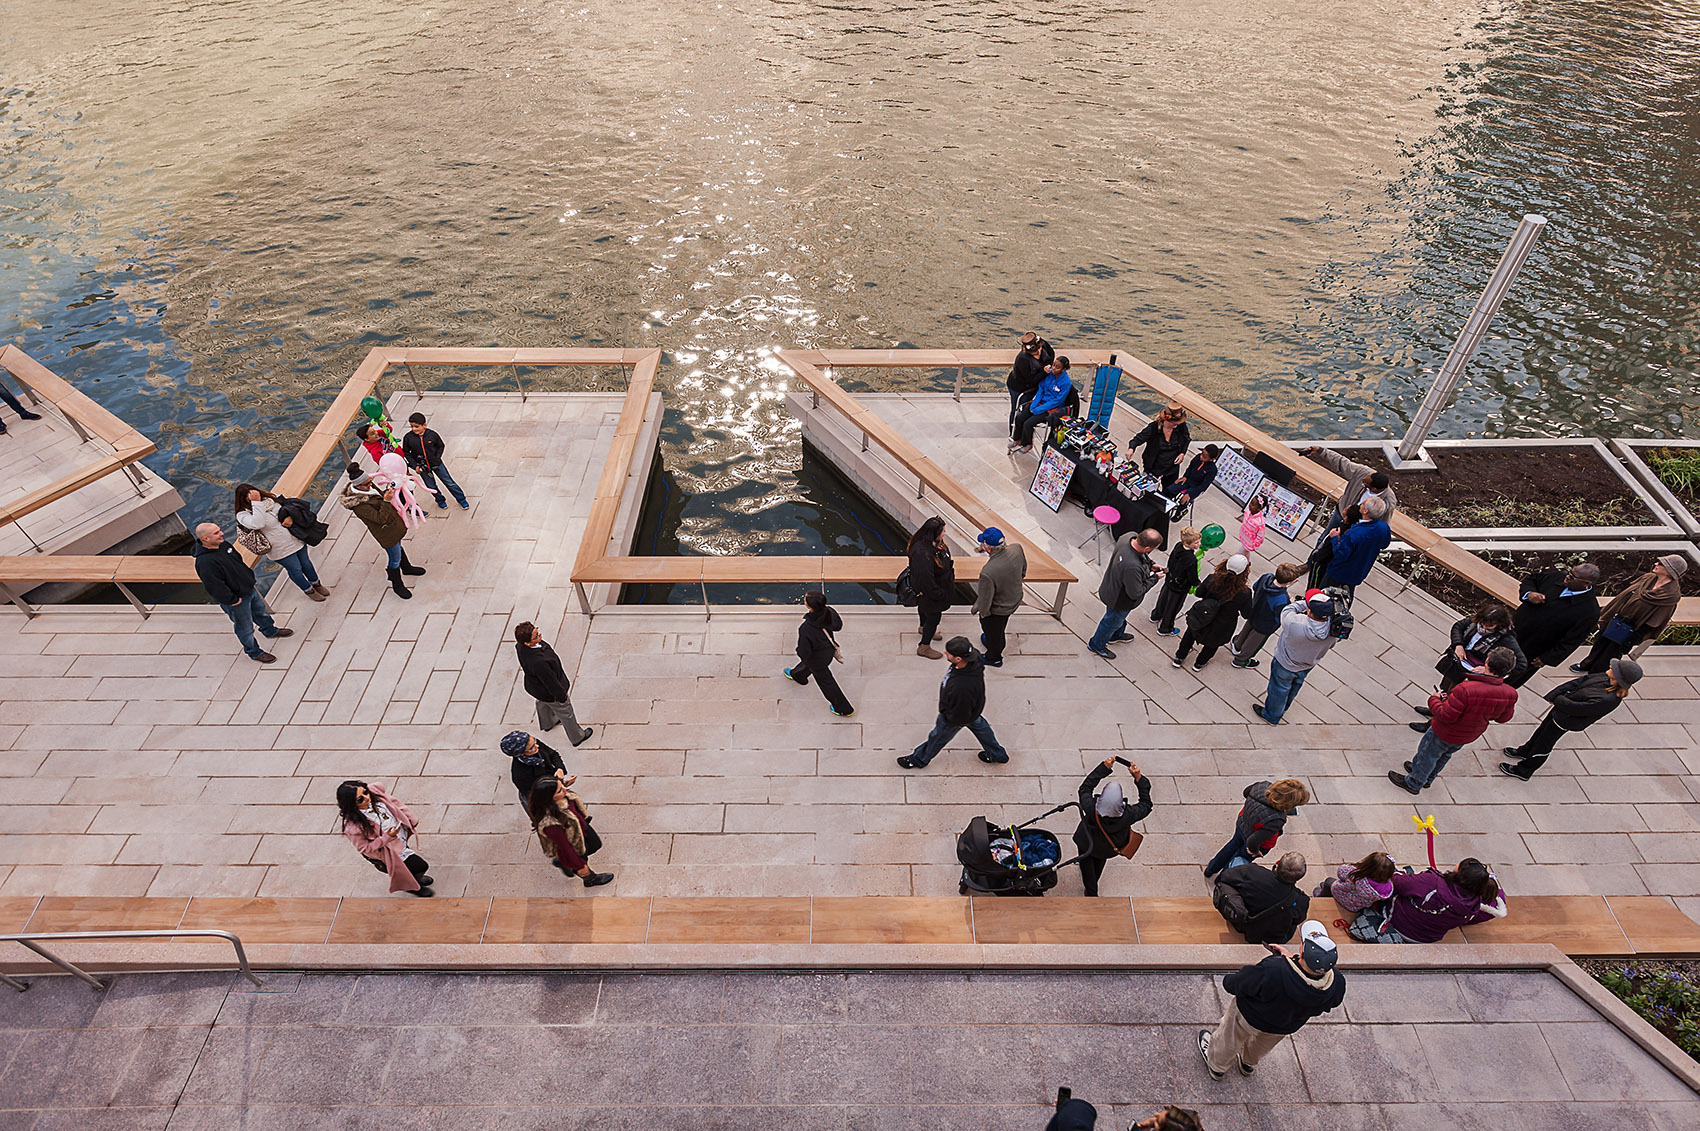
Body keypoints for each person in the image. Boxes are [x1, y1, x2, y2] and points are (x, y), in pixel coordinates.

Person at [1198, 920, 1345, 1081]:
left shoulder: (1273, 969)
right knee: (1261, 1046)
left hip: (1249, 1016)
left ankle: (1217, 1066)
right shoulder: (1337, 983)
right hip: (1283, 1026)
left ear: (1302, 952)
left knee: (1229, 1039)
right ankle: (1247, 1063)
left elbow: (1238, 984)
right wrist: (1290, 959)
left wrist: (1229, 980)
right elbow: (1328, 1000)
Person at [1389, 646, 1517, 795]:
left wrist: (1434, 699)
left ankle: (1414, 782)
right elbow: (1503, 718)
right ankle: (1427, 777)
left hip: (1446, 731)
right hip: (1469, 734)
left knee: (1427, 754)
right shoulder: (1510, 693)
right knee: (1444, 755)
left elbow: (1445, 714)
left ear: (1487, 661)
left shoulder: (1466, 689)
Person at [1501, 657, 1641, 780]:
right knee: (1540, 732)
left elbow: (1578, 708)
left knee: (1544, 744)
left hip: (1565, 720)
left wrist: (1558, 699)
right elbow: (1579, 681)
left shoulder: (1608, 699)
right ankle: (1525, 751)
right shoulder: (1604, 677)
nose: (1610, 666)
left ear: (1619, 677)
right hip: (1560, 711)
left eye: (1615, 668)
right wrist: (1555, 694)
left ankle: (1524, 770)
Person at [896, 636, 1007, 769]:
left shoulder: (961, 687)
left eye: (949, 653)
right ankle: (997, 754)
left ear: (958, 659)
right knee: (982, 729)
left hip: (956, 717)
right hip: (973, 711)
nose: (945, 653)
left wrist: (948, 718)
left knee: (937, 737)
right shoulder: (974, 658)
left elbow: (960, 712)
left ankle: (918, 759)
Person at [192, 522, 293, 664]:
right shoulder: (205, 562)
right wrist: (232, 600)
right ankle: (254, 652)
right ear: (205, 539)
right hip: (236, 600)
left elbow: (238, 561)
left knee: (260, 612)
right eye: (216, 533)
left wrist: (249, 579)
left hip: (249, 589)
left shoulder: (224, 545)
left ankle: (270, 630)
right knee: (245, 628)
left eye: (219, 530)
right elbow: (214, 586)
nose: (221, 534)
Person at [1350, 858, 1506, 943]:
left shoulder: (1431, 882)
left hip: (1396, 920)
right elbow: (1498, 902)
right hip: (1425, 939)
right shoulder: (1474, 905)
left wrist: (1400, 874)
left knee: (1389, 869)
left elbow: (1397, 884)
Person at [1574, 555, 1686, 673]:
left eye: (1661, 564)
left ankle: (1596, 674)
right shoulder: (1648, 578)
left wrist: (1632, 639)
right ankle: (1587, 664)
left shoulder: (1670, 596)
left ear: (1669, 570)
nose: (1656, 564)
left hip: (1631, 629)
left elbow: (1656, 621)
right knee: (1600, 643)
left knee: (1611, 652)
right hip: (1617, 618)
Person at [341, 463, 426, 599]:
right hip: (385, 532)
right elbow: (380, 519)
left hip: (392, 526)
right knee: (394, 558)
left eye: (370, 481)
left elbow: (379, 498)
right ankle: (397, 585)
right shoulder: (359, 505)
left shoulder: (368, 487)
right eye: (366, 484)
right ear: (358, 486)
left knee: (398, 547)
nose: (370, 484)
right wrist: (386, 501)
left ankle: (406, 567)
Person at [1071, 757, 1153, 897]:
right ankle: (1092, 886)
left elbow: (1085, 788)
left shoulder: (1091, 808)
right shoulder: (1129, 815)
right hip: (1108, 848)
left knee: (1086, 866)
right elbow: (1146, 804)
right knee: (1099, 862)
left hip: (1087, 843)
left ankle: (1091, 892)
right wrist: (1138, 777)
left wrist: (1103, 768)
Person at [1508, 563, 1600, 687]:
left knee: (1509, 681)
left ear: (1586, 584)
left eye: (1573, 577)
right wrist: (1529, 593)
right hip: (1510, 632)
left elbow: (1572, 641)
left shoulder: (1589, 611)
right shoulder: (1556, 577)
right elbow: (1531, 579)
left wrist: (1546, 659)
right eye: (1569, 572)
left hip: (1530, 650)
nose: (1567, 577)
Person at [233, 483, 328, 602]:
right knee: (295, 569)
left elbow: (290, 505)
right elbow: (258, 523)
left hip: (295, 538)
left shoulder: (271, 499)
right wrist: (256, 503)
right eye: (248, 496)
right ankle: (309, 590)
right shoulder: (242, 515)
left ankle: (316, 584)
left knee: (306, 563)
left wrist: (290, 517)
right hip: (279, 548)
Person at [1253, 590, 1337, 725]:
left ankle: (1272, 715)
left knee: (1278, 690)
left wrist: (1304, 602)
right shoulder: (1334, 629)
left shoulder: (1295, 622)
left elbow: (1288, 609)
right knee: (1296, 685)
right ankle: (1284, 706)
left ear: (1309, 611)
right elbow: (1333, 644)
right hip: (1307, 664)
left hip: (1285, 663)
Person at [338, 779, 432, 896]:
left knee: (412, 867)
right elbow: (364, 848)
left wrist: (410, 818)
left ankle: (415, 879)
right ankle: (411, 886)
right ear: (351, 804)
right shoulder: (353, 826)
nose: (366, 798)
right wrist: (387, 838)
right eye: (360, 799)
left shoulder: (375, 793)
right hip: (387, 852)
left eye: (365, 792)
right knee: (420, 866)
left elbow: (395, 803)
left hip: (398, 840)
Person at [1203, 778, 1310, 878]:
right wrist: (1255, 851)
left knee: (1231, 846)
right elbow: (1254, 840)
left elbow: (1246, 792)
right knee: (1238, 860)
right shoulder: (1276, 819)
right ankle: (1223, 879)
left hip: (1243, 824)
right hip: (1253, 840)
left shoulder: (1262, 786)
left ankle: (1211, 869)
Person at [1299, 445, 1397, 554]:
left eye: (1365, 482)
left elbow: (1384, 522)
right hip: (1341, 514)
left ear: (1374, 489)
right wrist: (1320, 450)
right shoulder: (1362, 472)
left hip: (1356, 526)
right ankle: (1311, 560)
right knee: (1324, 539)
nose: (1362, 480)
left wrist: (1378, 540)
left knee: (1343, 549)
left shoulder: (1388, 501)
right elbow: (1341, 461)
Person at [1421, 603, 1526, 703]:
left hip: (1471, 672)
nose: (1484, 627)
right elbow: (1458, 627)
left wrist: (1488, 669)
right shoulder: (1476, 621)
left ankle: (1439, 713)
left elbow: (1522, 664)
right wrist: (1458, 645)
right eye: (1483, 623)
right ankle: (1435, 708)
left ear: (1500, 624)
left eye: (1490, 626)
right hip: (1457, 663)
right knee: (1444, 688)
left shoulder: (1507, 638)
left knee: (1453, 696)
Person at [1085, 528, 1164, 659]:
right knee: (1111, 622)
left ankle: (1116, 635)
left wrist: (1150, 564)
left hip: (1110, 586)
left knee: (1117, 619)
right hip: (1119, 600)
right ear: (1147, 548)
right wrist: (1154, 578)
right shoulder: (1132, 566)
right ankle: (1096, 645)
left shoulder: (1128, 537)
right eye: (1153, 549)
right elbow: (1135, 592)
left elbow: (1141, 556)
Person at [514, 621, 595, 743]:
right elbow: (551, 683)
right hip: (548, 690)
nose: (540, 635)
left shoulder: (521, 646)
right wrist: (562, 698)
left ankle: (548, 723)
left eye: (537, 631)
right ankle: (577, 737)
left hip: (536, 687)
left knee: (542, 703)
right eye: (536, 636)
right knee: (566, 712)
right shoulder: (539, 662)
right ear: (527, 642)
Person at [527, 776, 614, 887]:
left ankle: (564, 862)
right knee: (581, 860)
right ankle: (589, 879)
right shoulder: (551, 824)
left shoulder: (563, 798)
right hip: (573, 843)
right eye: (559, 790)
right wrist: (579, 865)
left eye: (562, 785)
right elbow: (565, 846)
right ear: (549, 797)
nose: (565, 789)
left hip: (580, 828)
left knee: (595, 844)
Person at [1173, 554, 1251, 671]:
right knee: (1212, 645)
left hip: (1202, 616)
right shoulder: (1244, 593)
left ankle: (1179, 657)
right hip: (1222, 625)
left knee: (1190, 635)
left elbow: (1199, 593)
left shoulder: (1212, 579)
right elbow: (1246, 614)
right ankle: (1199, 663)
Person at [1212, 853, 1310, 944]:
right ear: (1299, 877)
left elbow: (1225, 877)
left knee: (1238, 860)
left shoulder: (1253, 872)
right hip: (1269, 938)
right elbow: (1298, 920)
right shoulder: (1302, 901)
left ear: (1277, 862)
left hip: (1242, 922)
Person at [785, 590, 854, 716]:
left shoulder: (806, 628)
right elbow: (838, 626)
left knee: (826, 681)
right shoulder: (829, 611)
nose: (804, 600)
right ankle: (797, 675)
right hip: (828, 651)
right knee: (809, 664)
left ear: (809, 606)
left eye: (805, 600)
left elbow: (804, 652)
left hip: (818, 659)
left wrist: (799, 652)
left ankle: (843, 709)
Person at [1231, 562, 1305, 669]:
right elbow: (1280, 617)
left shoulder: (1266, 577)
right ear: (1289, 582)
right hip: (1265, 624)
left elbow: (1255, 586)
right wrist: (1290, 604)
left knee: (1247, 629)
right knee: (1254, 643)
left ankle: (1237, 645)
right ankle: (1240, 661)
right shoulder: (1282, 599)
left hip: (1255, 611)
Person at [1319, 495, 1390, 604]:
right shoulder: (1383, 528)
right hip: (1359, 572)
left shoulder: (1354, 533)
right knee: (1347, 597)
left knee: (1322, 596)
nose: (1360, 504)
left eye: (1363, 503)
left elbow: (1340, 554)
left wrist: (1334, 538)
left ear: (1365, 511)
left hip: (1339, 571)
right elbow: (1384, 545)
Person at [971, 527, 1026, 668]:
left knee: (994, 631)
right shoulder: (1017, 549)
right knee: (1000, 626)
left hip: (1000, 608)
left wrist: (984, 613)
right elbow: (1023, 571)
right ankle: (990, 640)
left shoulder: (988, 572)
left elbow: (985, 598)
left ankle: (994, 657)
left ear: (988, 548)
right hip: (1014, 598)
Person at [907, 516, 955, 659]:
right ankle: (924, 646)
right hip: (931, 591)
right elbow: (926, 579)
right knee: (934, 618)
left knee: (924, 609)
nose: (945, 533)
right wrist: (938, 594)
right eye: (943, 531)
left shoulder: (932, 544)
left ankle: (923, 627)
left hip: (934, 587)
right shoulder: (922, 553)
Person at [401, 411, 470, 510]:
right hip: (422, 467)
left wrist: (437, 458)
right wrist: (415, 465)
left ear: (424, 425)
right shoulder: (408, 438)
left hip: (437, 464)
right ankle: (440, 500)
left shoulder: (432, 435)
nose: (414, 429)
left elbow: (440, 446)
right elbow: (406, 452)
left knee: (449, 482)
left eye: (416, 426)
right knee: (431, 486)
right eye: (412, 426)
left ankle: (461, 499)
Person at [1009, 356, 1073, 453]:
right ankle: (1018, 439)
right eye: (1053, 365)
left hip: (1051, 408)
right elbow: (1041, 389)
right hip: (1040, 402)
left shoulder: (1066, 383)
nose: (1053, 368)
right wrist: (1034, 404)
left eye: (1057, 367)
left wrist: (1039, 409)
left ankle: (1028, 443)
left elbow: (1057, 401)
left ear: (1063, 369)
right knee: (1019, 417)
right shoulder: (1049, 374)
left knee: (1028, 423)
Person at [1149, 525, 1202, 638]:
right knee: (1172, 608)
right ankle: (1166, 628)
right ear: (1187, 543)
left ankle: (1156, 615)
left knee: (1163, 599)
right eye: (1196, 542)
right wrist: (1197, 583)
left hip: (1170, 579)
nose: (1199, 544)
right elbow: (1192, 576)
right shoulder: (1191, 560)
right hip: (1180, 587)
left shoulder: (1178, 546)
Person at [1129, 402, 1191, 490]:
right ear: (1166, 420)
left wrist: (1182, 453)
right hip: (1153, 466)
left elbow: (1186, 439)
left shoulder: (1181, 427)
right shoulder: (1153, 428)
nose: (1176, 425)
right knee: (1148, 489)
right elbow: (1138, 438)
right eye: (1174, 423)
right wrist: (1131, 448)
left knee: (1169, 491)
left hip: (1171, 468)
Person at [1315, 851, 1396, 915]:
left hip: (1342, 896)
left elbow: (1340, 872)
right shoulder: (1388, 887)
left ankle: (1319, 896)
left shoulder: (1358, 876)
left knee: (1328, 882)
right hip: (1357, 906)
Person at [501, 729, 567, 808]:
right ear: (521, 754)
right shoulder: (520, 775)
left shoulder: (533, 744)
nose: (537, 746)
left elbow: (553, 754)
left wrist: (560, 769)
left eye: (535, 741)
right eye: (531, 748)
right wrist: (559, 787)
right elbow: (537, 796)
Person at [1005, 331, 1052, 433]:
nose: (1039, 352)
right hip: (1019, 387)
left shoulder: (1043, 345)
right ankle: (1013, 432)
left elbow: (1051, 354)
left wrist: (1048, 365)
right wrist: (1044, 372)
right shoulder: (1022, 359)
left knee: (1029, 407)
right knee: (1017, 409)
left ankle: (1025, 428)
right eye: (1035, 353)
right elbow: (1030, 380)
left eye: (1039, 349)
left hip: (1036, 385)